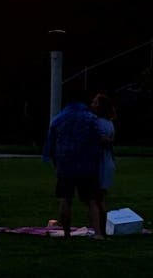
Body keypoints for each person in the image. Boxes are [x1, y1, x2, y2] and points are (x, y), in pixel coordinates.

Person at [43, 90, 102, 238]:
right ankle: (98, 233)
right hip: (87, 165)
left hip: (65, 165)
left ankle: (67, 233)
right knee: (91, 201)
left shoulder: (58, 119)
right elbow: (98, 141)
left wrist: (54, 161)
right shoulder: (91, 119)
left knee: (65, 199)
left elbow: (50, 144)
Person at [91, 93, 117, 237]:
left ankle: (99, 231)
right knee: (101, 198)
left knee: (96, 199)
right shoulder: (109, 122)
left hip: (100, 163)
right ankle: (102, 230)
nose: (92, 104)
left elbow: (104, 140)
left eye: (95, 102)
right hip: (107, 163)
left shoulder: (97, 122)